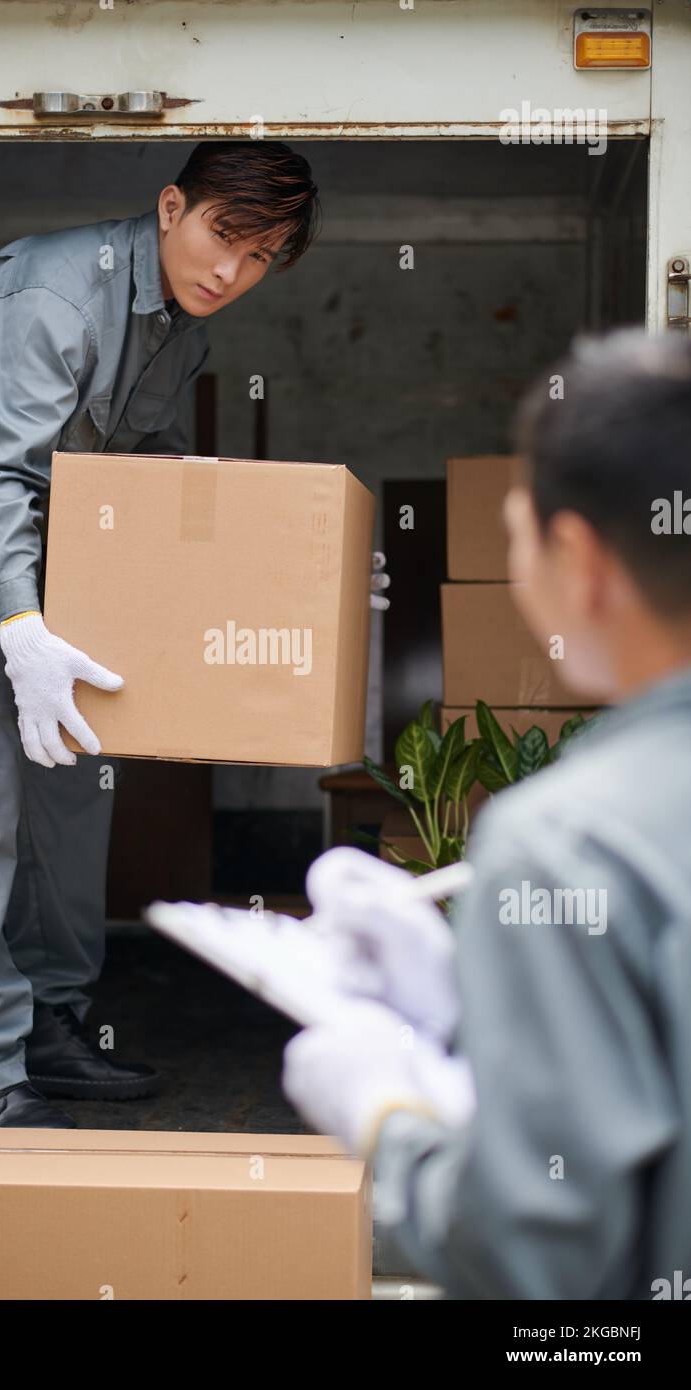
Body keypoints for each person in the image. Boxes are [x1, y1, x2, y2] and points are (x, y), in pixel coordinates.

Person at [0, 141, 320, 1128]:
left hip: (68, 547)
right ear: (170, 208)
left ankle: (48, 1022)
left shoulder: (181, 332)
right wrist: (19, 624)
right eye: (223, 235)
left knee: (72, 784)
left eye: (260, 256)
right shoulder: (55, 293)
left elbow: (150, 484)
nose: (230, 271)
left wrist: (292, 582)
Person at [282, 327, 691, 1299]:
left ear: (577, 560)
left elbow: (537, 1253)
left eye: (515, 533)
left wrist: (385, 1117)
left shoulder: (566, 839)